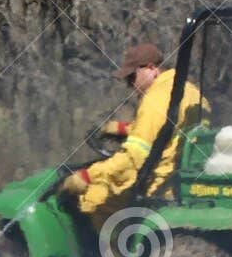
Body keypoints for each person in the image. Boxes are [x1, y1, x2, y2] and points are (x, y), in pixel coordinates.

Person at [60, 43, 210, 240]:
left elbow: (133, 160)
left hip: (157, 186)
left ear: (151, 69)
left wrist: (86, 177)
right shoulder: (191, 92)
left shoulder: (155, 100)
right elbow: (167, 132)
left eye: (132, 77)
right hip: (180, 178)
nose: (130, 85)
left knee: (94, 198)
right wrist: (122, 129)